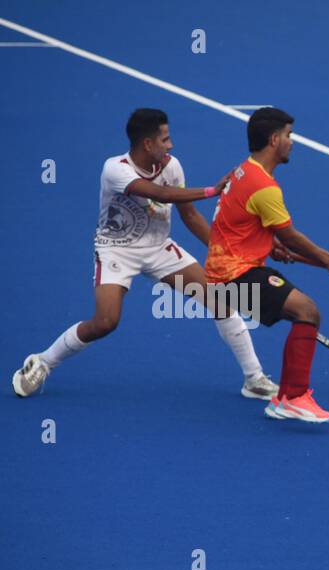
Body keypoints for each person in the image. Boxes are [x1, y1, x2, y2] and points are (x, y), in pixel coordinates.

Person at [11, 108, 278, 399]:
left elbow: (188, 215)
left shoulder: (172, 166)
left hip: (158, 247)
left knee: (220, 299)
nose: (171, 145)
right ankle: (43, 361)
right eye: (165, 139)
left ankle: (254, 378)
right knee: (106, 322)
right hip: (117, 251)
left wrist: (224, 249)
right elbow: (159, 194)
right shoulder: (115, 168)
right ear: (147, 144)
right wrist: (212, 190)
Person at [204, 107, 329, 424]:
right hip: (234, 277)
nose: (292, 142)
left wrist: (267, 243)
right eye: (289, 135)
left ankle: (287, 397)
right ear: (274, 139)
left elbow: (237, 222)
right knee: (307, 311)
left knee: (303, 311)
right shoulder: (264, 187)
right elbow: (290, 236)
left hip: (230, 271)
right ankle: (293, 398)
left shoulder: (243, 171)